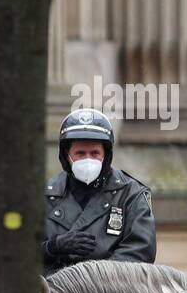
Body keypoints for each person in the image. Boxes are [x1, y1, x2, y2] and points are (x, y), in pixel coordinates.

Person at [43, 108, 155, 275]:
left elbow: (141, 250)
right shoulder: (44, 195)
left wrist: (92, 278)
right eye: (80, 153)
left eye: (95, 153)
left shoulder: (131, 193)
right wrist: (52, 247)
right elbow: (17, 250)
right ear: (66, 155)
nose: (88, 159)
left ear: (106, 155)